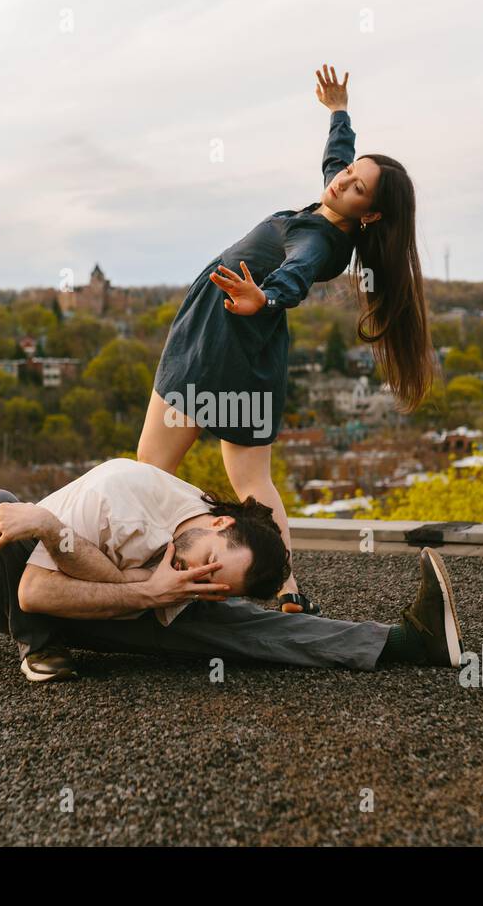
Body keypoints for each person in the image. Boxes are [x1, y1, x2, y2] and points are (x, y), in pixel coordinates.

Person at [137, 63, 437, 618]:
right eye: (349, 172)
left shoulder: (320, 238)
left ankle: (153, 577)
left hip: (215, 339)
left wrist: (266, 298)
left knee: (150, 469)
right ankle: (286, 587)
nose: (343, 179)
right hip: (253, 355)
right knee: (252, 481)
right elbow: (336, 159)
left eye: (357, 186)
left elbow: (297, 271)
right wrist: (338, 111)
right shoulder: (333, 212)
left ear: (369, 214)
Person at [0, 457, 464, 683]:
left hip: (112, 603)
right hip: (13, 594)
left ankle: (409, 641)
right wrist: (49, 527)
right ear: (219, 523)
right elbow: (35, 593)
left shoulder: (203, 542)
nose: (194, 575)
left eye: (210, 583)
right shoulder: (116, 494)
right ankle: (41, 650)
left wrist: (172, 590)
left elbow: (178, 591)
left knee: (244, 628)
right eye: (203, 567)